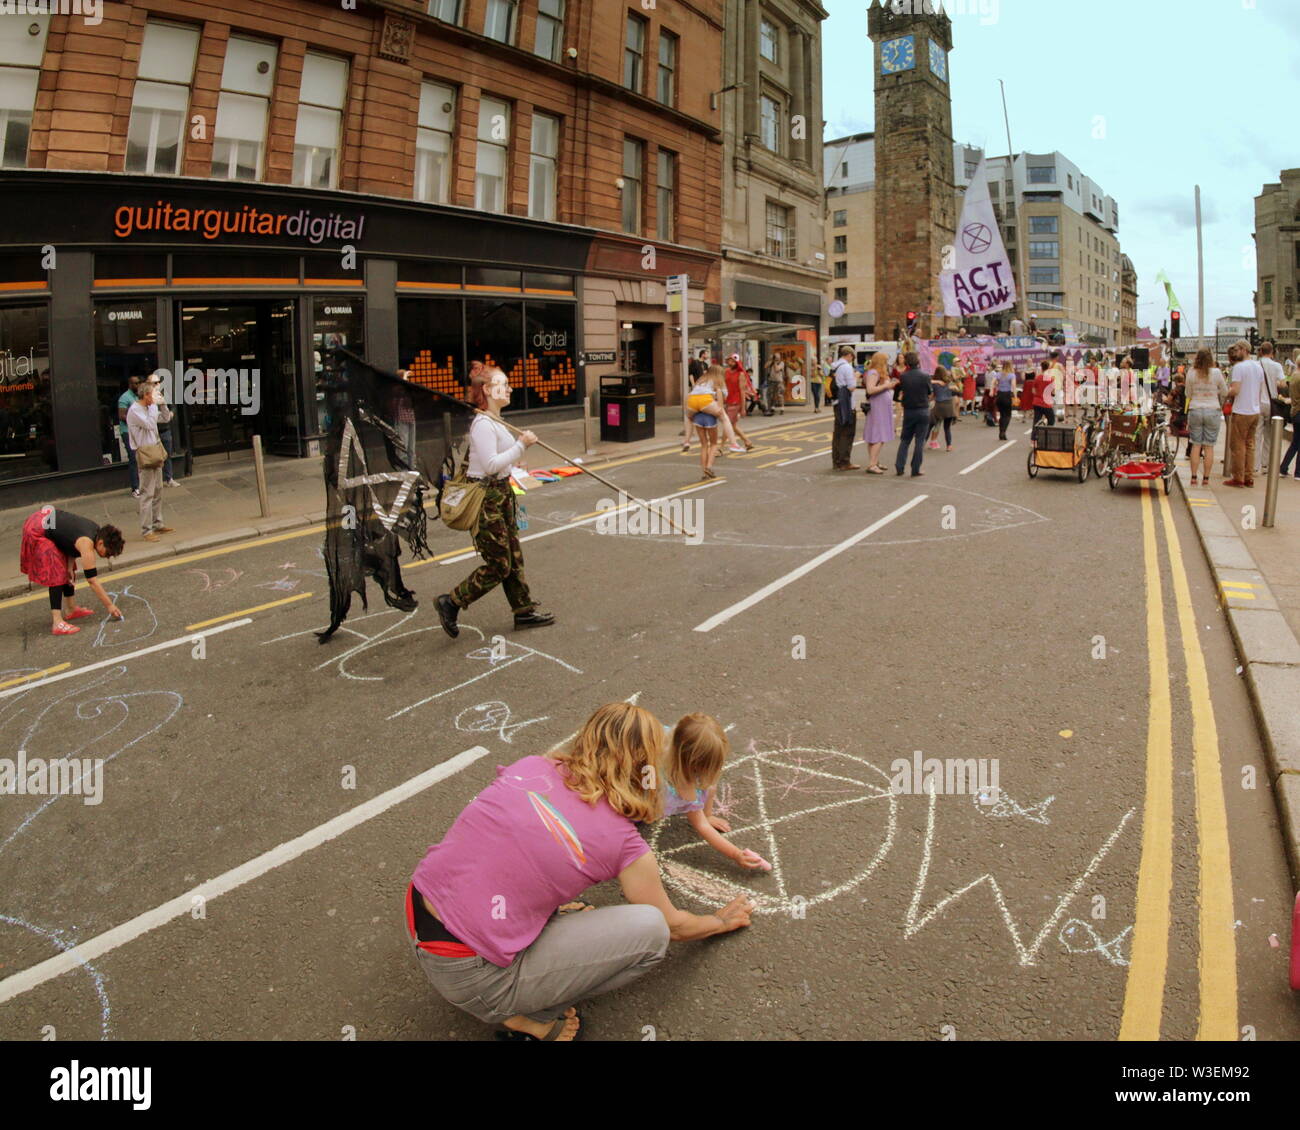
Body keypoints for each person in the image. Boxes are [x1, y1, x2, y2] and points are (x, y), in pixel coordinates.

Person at [406, 702, 753, 1041]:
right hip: (471, 974)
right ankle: (526, 1016)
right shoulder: (623, 842)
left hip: (419, 910)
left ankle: (533, 939)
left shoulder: (531, 766)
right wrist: (719, 922)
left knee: (526, 864)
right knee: (651, 930)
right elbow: (674, 926)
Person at [435, 367, 554, 637]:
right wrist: (521, 445)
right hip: (486, 499)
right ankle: (451, 601)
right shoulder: (482, 424)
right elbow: (489, 465)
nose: (510, 389)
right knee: (500, 564)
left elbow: (501, 461)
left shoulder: (497, 421)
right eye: (504, 384)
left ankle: (523, 611)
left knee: (513, 555)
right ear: (487, 390)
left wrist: (517, 458)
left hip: (502, 493)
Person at [661, 713, 769, 870]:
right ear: (691, 765)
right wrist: (735, 854)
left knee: (709, 785)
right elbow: (701, 825)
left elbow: (710, 786)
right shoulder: (669, 783)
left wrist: (708, 815)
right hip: (644, 784)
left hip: (655, 773)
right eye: (706, 768)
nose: (712, 772)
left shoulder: (676, 742)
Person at [19, 507, 124, 635]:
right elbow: (92, 580)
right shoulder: (87, 543)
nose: (108, 556)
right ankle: (57, 622)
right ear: (101, 543)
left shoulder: (96, 531)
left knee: (68, 571)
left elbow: (68, 540)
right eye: (109, 553)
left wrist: (69, 566)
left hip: (47, 521)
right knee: (56, 574)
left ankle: (71, 609)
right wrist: (110, 606)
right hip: (37, 528)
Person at [126, 379, 174, 543]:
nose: (155, 397)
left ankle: (158, 523)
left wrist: (163, 404)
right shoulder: (135, 410)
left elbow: (166, 418)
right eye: (153, 394)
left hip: (155, 450)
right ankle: (147, 530)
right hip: (145, 453)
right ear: (146, 395)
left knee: (159, 488)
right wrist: (155, 406)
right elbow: (149, 423)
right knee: (147, 493)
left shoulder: (149, 407)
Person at [1224, 340, 1265, 488]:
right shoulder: (1258, 366)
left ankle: (1238, 478)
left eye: (1237, 349)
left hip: (1241, 410)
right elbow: (1260, 389)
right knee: (1250, 444)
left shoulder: (1239, 367)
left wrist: (1225, 392)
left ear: (1243, 350)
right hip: (1255, 410)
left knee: (1238, 445)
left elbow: (1235, 390)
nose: (1235, 353)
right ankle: (1249, 477)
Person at [1184, 349, 1227, 486]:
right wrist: (1215, 392)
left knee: (1196, 445)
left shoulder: (1191, 373)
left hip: (1196, 409)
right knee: (1209, 446)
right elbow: (1225, 392)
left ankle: (1194, 477)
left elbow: (1188, 393)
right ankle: (1206, 479)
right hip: (1212, 410)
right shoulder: (1217, 373)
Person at [894, 351, 933, 477]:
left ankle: (899, 467)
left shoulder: (903, 376)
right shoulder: (925, 376)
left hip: (909, 410)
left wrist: (900, 400)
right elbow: (929, 392)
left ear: (906, 362)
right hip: (922, 410)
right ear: (918, 362)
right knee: (920, 441)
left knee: (905, 440)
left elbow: (897, 392)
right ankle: (915, 469)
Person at [862, 351, 899, 474]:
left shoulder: (878, 372)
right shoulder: (873, 372)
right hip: (878, 406)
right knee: (878, 435)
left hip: (881, 405)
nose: (887, 363)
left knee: (876, 434)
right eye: (885, 360)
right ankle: (872, 465)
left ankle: (875, 462)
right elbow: (870, 389)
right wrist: (887, 386)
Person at [686, 369, 723, 479]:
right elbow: (719, 406)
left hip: (697, 416)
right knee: (714, 444)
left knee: (703, 445)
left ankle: (703, 472)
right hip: (710, 418)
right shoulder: (716, 383)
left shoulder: (700, 382)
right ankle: (709, 467)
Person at [1257, 341, 1286, 478]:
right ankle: (1265, 464)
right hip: (1272, 403)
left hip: (1257, 403)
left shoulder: (1256, 365)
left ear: (1261, 351)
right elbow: (1282, 383)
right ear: (1272, 352)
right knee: (1268, 435)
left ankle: (1255, 465)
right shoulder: (1277, 366)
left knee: (1257, 435)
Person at [830, 345, 860, 471]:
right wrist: (857, 376)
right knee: (847, 433)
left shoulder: (834, 366)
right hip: (846, 404)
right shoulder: (847, 367)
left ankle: (836, 461)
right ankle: (844, 462)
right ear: (850, 355)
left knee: (837, 433)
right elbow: (851, 387)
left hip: (837, 402)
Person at [150, 373, 179, 486]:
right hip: (153, 431)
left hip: (164, 429)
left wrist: (171, 413)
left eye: (158, 382)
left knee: (167, 455)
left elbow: (173, 407)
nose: (157, 385)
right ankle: (156, 481)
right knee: (153, 457)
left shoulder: (163, 395)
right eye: (155, 383)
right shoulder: (147, 397)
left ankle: (169, 478)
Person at [722, 357, 754, 451]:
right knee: (732, 426)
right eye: (729, 361)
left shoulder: (740, 375)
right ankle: (747, 441)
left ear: (737, 362)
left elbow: (742, 391)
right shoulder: (726, 372)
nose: (730, 362)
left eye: (732, 361)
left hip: (736, 402)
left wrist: (743, 408)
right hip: (728, 401)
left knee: (727, 425)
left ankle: (720, 448)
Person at [117, 375, 141, 498]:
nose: (137, 385)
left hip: (137, 432)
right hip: (127, 432)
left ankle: (140, 485)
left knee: (140, 459)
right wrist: (136, 421)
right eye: (135, 383)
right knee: (133, 459)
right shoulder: (124, 398)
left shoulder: (138, 397)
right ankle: (135, 488)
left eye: (138, 383)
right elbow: (121, 415)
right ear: (130, 384)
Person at [928, 365, 958, 451]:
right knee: (947, 428)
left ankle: (923, 443)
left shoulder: (935, 384)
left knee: (931, 425)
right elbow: (956, 390)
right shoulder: (949, 382)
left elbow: (932, 395)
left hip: (939, 407)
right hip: (949, 407)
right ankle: (949, 446)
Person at [1279, 359, 1300, 479]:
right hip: (1299, 411)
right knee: (1297, 443)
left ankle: (1284, 467)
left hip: (1295, 411)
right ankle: (1298, 472)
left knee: (1295, 443)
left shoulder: (1294, 376)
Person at [994, 361, 1017, 441]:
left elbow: (994, 382)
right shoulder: (1011, 375)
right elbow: (1013, 386)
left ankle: (1001, 432)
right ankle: (1003, 431)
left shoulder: (998, 374)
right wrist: (1015, 396)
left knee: (1002, 415)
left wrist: (992, 390)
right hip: (1007, 395)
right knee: (1008, 415)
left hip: (999, 395)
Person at [1033, 360, 1057, 427]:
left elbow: (1033, 391)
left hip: (1037, 402)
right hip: (1046, 403)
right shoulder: (1050, 379)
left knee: (1036, 421)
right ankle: (1048, 435)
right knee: (1051, 420)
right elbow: (1053, 392)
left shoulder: (1037, 378)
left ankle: (1034, 436)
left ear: (1041, 367)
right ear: (1048, 368)